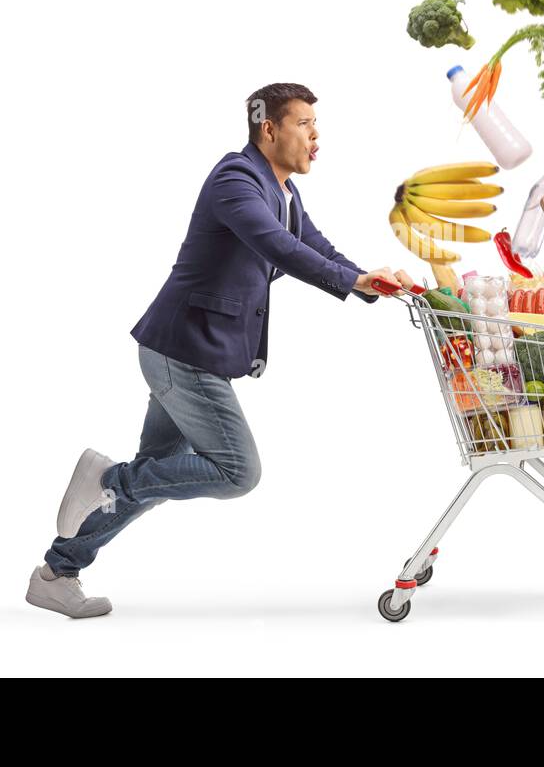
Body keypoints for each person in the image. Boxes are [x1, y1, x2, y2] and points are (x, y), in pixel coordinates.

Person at [26, 83, 414, 618]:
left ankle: (57, 572)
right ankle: (105, 479)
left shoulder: (283, 191)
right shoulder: (235, 181)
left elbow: (313, 244)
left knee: (157, 476)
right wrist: (346, 282)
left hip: (193, 351)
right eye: (304, 124)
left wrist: (363, 278)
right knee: (237, 471)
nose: (315, 135)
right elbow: (277, 246)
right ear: (269, 129)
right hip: (183, 352)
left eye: (315, 125)